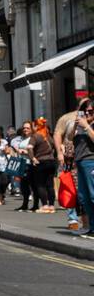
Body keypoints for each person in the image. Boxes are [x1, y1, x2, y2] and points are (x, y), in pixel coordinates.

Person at [68, 98, 94, 236]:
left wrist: (86, 126)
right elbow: (70, 137)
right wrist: (75, 125)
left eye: (90, 111)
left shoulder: (90, 125)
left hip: (91, 162)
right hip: (80, 162)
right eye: (84, 111)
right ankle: (91, 226)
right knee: (84, 197)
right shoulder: (80, 125)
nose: (87, 114)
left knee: (93, 195)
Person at [54, 107, 83, 232]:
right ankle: (73, 219)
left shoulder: (88, 123)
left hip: (85, 159)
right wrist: (60, 152)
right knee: (70, 188)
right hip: (71, 161)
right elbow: (57, 134)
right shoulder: (67, 118)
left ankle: (85, 219)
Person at [29, 117, 56, 212]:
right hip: (51, 162)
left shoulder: (35, 136)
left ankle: (44, 205)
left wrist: (32, 158)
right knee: (50, 185)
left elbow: (30, 148)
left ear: (36, 126)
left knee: (40, 185)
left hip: (41, 162)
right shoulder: (48, 136)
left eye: (33, 125)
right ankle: (52, 206)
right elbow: (54, 145)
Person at [11, 121, 34, 211]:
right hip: (22, 163)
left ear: (32, 129)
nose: (25, 129)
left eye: (28, 128)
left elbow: (37, 150)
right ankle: (25, 204)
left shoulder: (33, 138)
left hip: (31, 163)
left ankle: (35, 205)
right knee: (23, 185)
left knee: (32, 185)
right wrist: (18, 149)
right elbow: (13, 142)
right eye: (24, 128)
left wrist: (26, 152)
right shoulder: (21, 139)